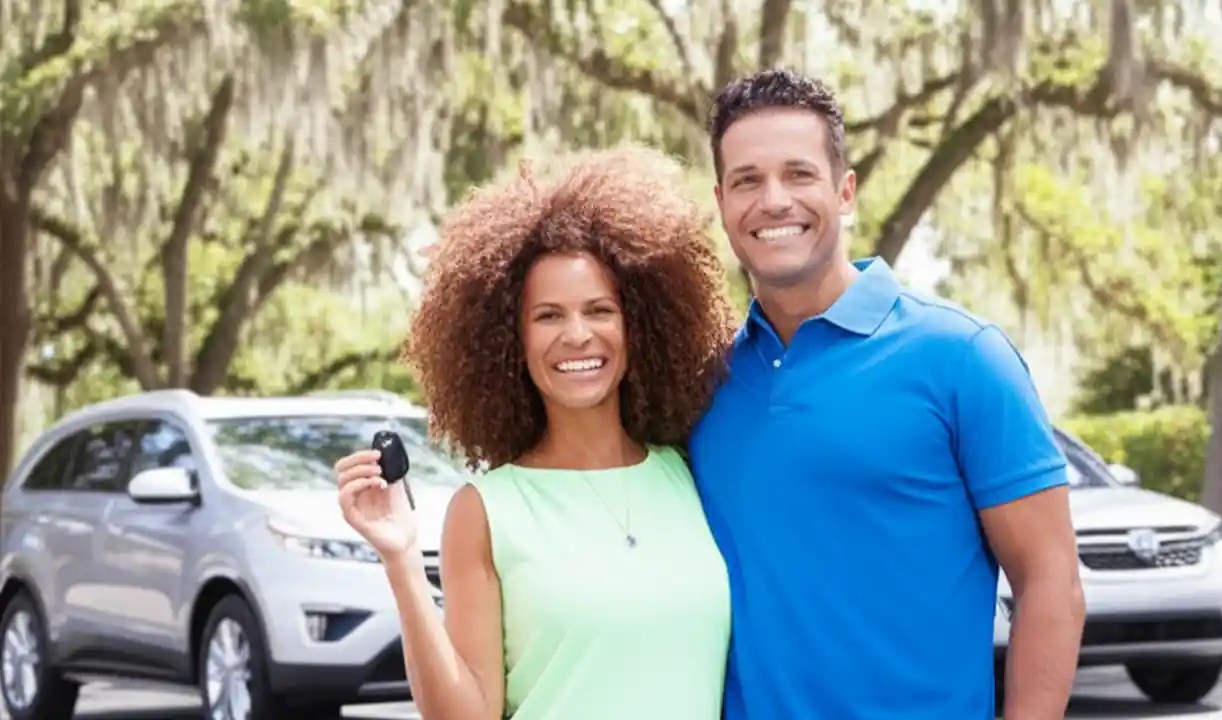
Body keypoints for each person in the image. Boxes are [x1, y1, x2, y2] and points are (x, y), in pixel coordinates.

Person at [688, 68, 1086, 719]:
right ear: (722, 202)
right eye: (747, 181)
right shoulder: (704, 387)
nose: (774, 200)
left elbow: (1051, 583)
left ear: (844, 192)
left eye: (799, 173)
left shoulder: (963, 358)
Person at [332, 146, 737, 720]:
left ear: (639, 326)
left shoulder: (689, 473)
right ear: (510, 343)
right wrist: (399, 559)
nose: (577, 335)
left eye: (600, 310)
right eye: (548, 315)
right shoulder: (485, 511)